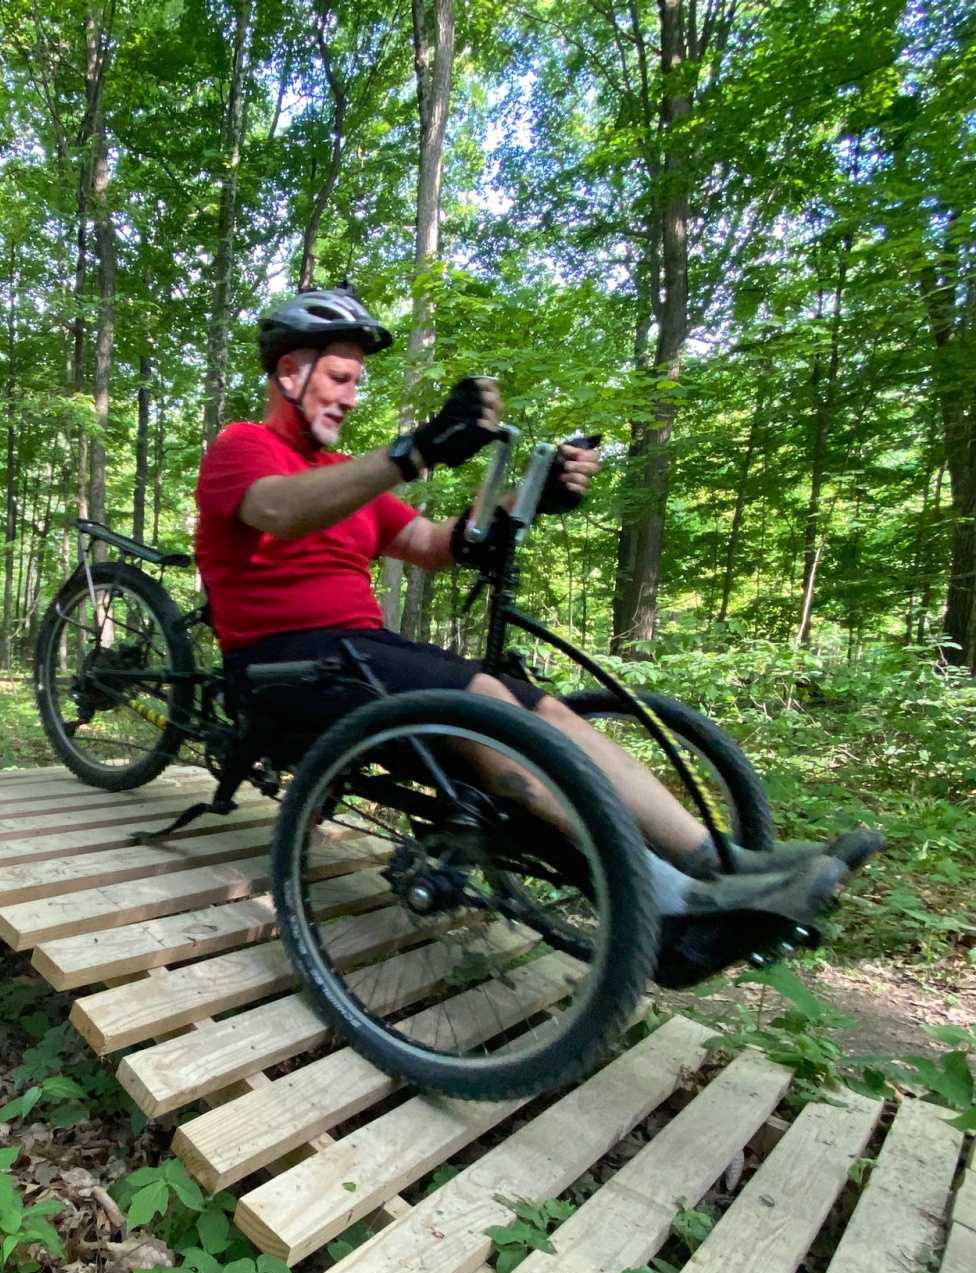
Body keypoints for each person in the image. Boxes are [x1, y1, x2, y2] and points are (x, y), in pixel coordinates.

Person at [194, 287, 879, 976]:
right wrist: (416, 450)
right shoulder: (243, 448)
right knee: (489, 708)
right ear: (290, 373)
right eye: (340, 379)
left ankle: (725, 863)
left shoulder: (349, 480)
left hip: (359, 653)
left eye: (356, 384)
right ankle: (669, 903)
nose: (350, 397)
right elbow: (277, 511)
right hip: (281, 662)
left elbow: (437, 543)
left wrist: (531, 495)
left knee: (542, 708)